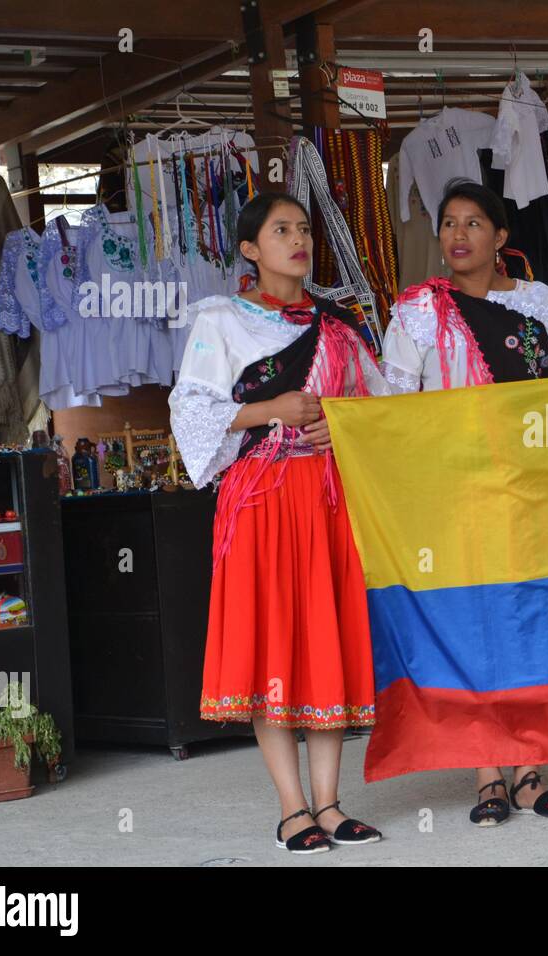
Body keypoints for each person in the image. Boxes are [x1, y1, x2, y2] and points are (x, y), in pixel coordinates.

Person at [169, 192, 389, 854]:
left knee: (324, 640)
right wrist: (271, 410)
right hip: (260, 499)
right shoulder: (220, 319)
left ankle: (330, 804)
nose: (298, 241)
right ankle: (292, 810)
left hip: (325, 499)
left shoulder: (339, 325)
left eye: (303, 230)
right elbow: (191, 411)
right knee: (273, 643)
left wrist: (339, 425)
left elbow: (380, 405)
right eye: (281, 230)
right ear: (249, 249)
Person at [381, 178, 548, 822]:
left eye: (473, 222)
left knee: (530, 621)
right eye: (448, 222)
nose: (458, 234)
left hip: (531, 491)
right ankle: (487, 773)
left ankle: (529, 769)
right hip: (456, 494)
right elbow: (393, 411)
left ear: (501, 236)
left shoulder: (541, 304)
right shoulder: (416, 312)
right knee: (475, 623)